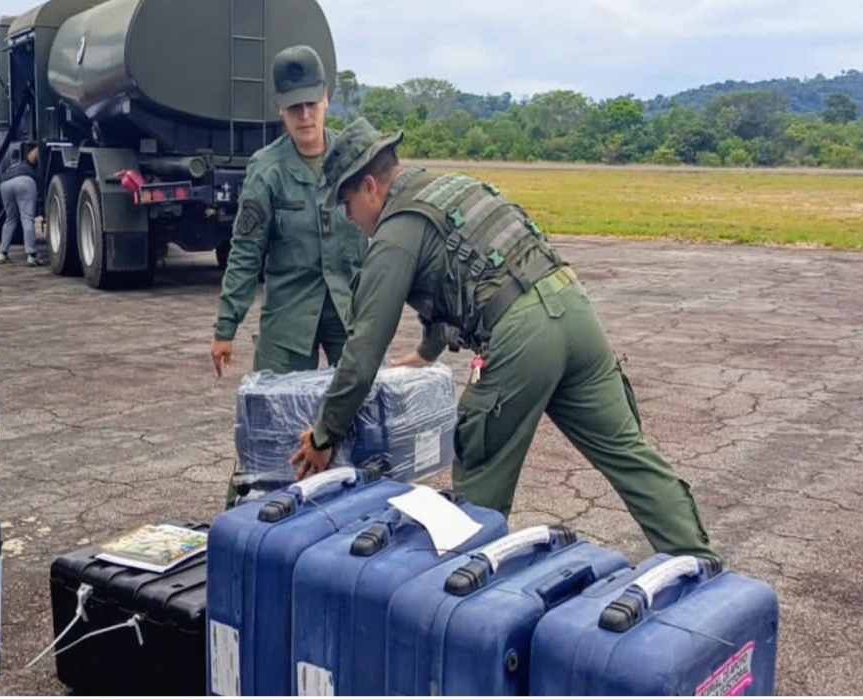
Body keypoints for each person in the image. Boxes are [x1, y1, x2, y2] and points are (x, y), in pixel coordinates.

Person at [290, 117, 719, 564]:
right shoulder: (450, 188)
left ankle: (466, 582)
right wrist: (425, 353)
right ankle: (699, 562)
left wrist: (324, 434)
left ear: (370, 187)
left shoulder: (396, 231)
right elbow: (460, 276)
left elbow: (363, 352)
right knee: (628, 455)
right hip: (574, 310)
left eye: (346, 204)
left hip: (521, 335)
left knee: (478, 479)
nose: (350, 218)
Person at [210, 45, 368, 505]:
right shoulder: (267, 170)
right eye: (294, 107)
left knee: (360, 416)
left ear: (327, 99)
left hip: (345, 309)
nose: (304, 116)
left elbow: (379, 234)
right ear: (280, 109)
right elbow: (245, 251)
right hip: (289, 314)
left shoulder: (353, 159)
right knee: (267, 422)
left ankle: (352, 508)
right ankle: (242, 514)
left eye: (311, 104)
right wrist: (226, 327)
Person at [0, 145, 42, 266]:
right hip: (24, 181)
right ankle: (31, 256)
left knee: (10, 219)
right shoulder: (27, 163)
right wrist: (41, 145)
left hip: (5, 183)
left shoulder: (12, 166)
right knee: (27, 218)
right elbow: (34, 154)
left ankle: (2, 254)